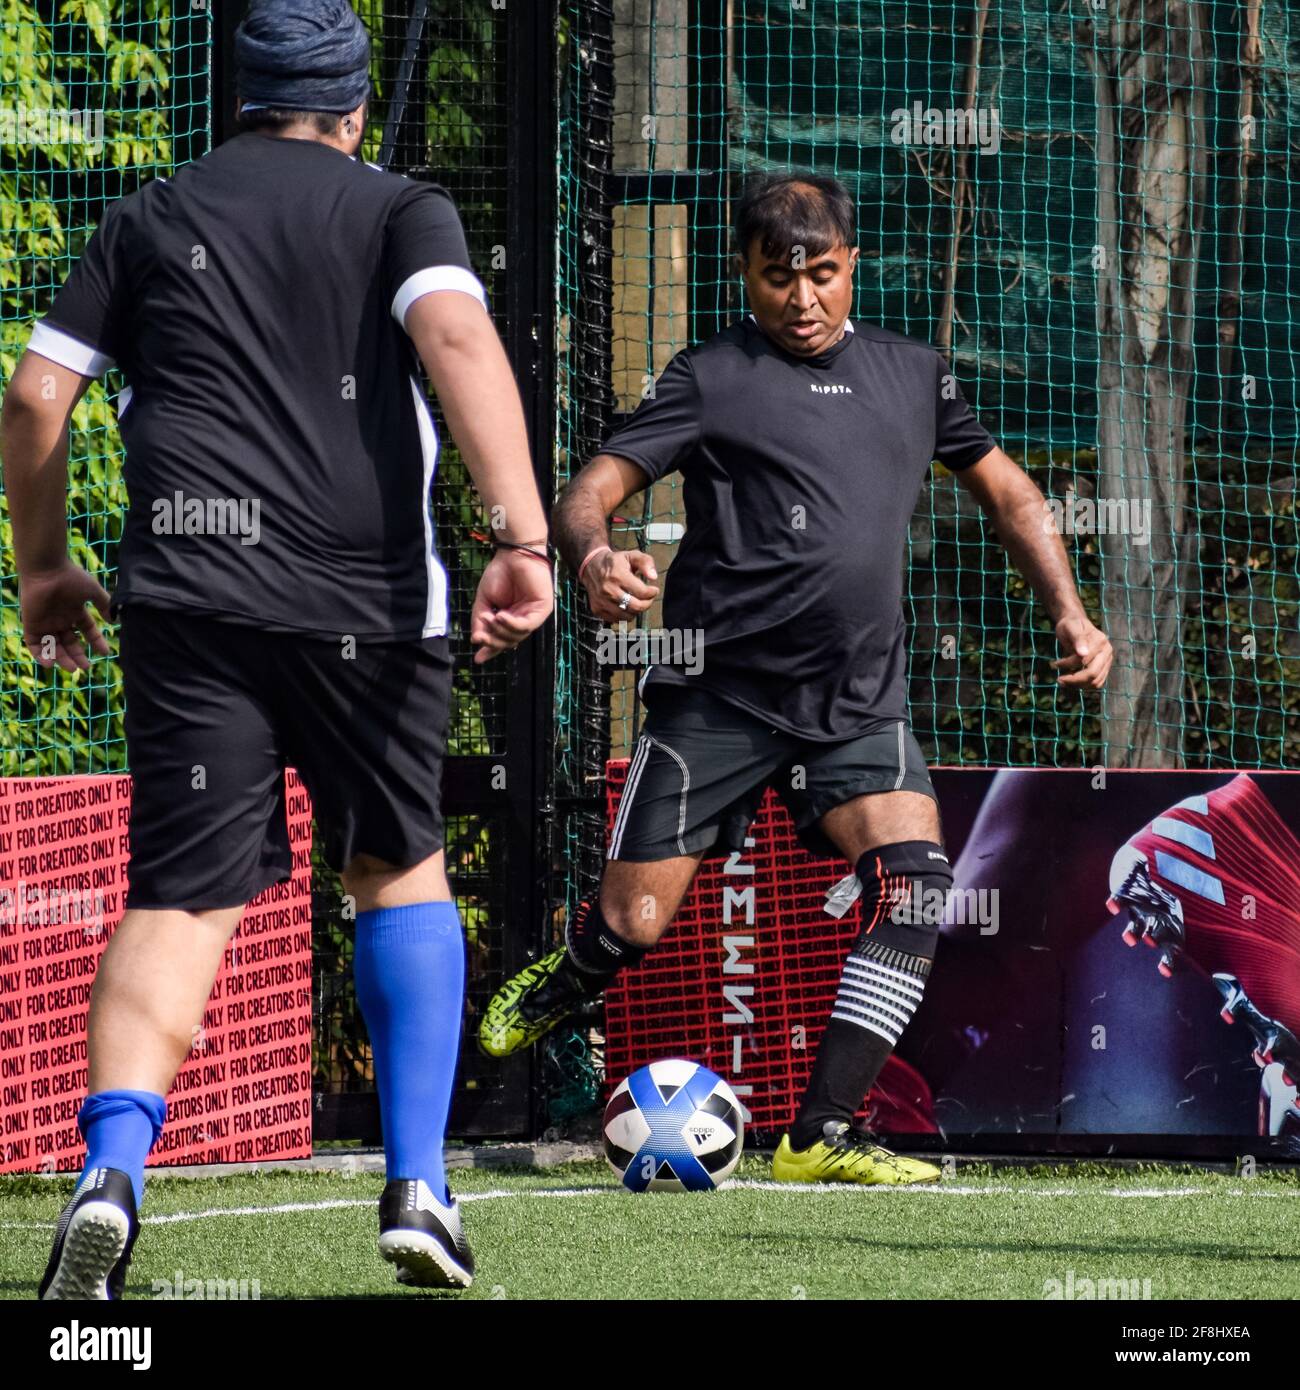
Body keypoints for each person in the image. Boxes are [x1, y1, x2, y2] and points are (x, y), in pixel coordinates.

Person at [1, 0, 550, 1296]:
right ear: (354, 109)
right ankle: (418, 1181)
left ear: (235, 102)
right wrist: (521, 533)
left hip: (187, 603)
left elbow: (36, 392)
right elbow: (459, 337)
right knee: (399, 863)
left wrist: (41, 568)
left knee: (181, 896)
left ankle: (111, 1172)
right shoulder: (399, 207)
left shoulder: (150, 215)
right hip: (362, 601)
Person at [481, 171, 1111, 1185]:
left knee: (915, 889)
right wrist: (596, 556)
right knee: (633, 926)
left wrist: (1073, 613)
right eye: (780, 278)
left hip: (856, 705)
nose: (803, 299)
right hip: (714, 700)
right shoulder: (709, 375)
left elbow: (1012, 494)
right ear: (745, 274)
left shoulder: (915, 374)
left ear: (852, 267)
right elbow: (591, 487)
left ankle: (820, 1132)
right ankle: (573, 973)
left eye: (821, 275)